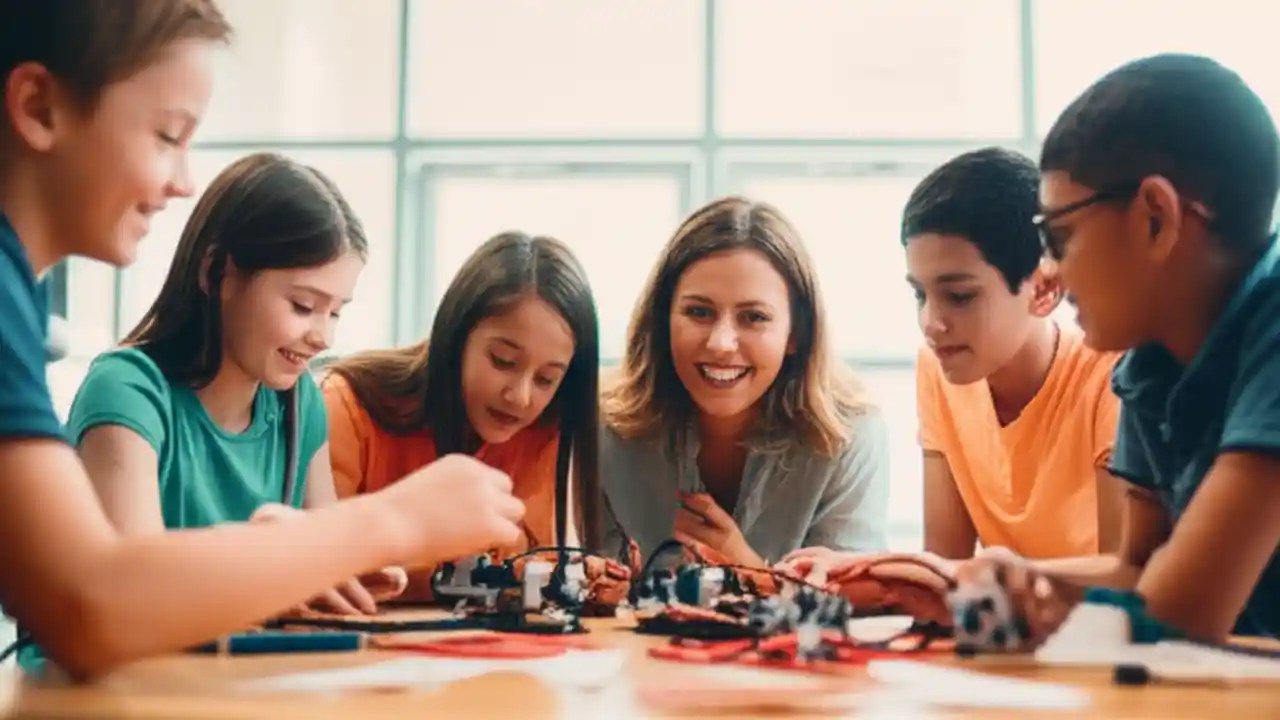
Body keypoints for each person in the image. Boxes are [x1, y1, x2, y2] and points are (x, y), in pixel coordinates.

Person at [0, 0, 522, 678]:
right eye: (166, 135)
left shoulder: (21, 297)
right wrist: (394, 520)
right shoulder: (123, 384)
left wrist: (300, 561)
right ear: (39, 108)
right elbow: (93, 604)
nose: (183, 181)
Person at [961, 53, 1280, 643]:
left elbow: (1180, 612)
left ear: (1156, 217)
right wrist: (966, 586)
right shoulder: (1150, 360)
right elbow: (1139, 570)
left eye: (1058, 235)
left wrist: (1032, 608)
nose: (1051, 268)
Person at [63, 153, 406, 624]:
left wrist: (344, 577)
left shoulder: (299, 401)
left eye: (337, 311)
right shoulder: (127, 391)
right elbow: (133, 594)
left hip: (226, 678)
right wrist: (272, 563)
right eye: (304, 305)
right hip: (101, 688)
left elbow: (317, 557)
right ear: (215, 273)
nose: (324, 336)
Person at [601, 196, 890, 567]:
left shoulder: (850, 434)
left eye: (753, 317)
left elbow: (850, 609)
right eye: (699, 312)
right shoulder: (604, 425)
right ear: (662, 321)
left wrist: (743, 567)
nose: (721, 343)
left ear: (795, 334)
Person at [323, 232, 604, 596]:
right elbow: (321, 569)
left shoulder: (546, 430)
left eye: (547, 379)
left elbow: (536, 569)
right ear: (455, 336)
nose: (519, 397)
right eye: (502, 360)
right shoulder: (350, 404)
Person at [905, 147, 1123, 561]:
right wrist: (855, 572)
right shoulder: (939, 368)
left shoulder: (1110, 377)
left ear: (1043, 289)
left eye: (959, 296)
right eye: (919, 293)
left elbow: (1122, 589)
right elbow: (945, 571)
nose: (931, 322)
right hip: (1002, 621)